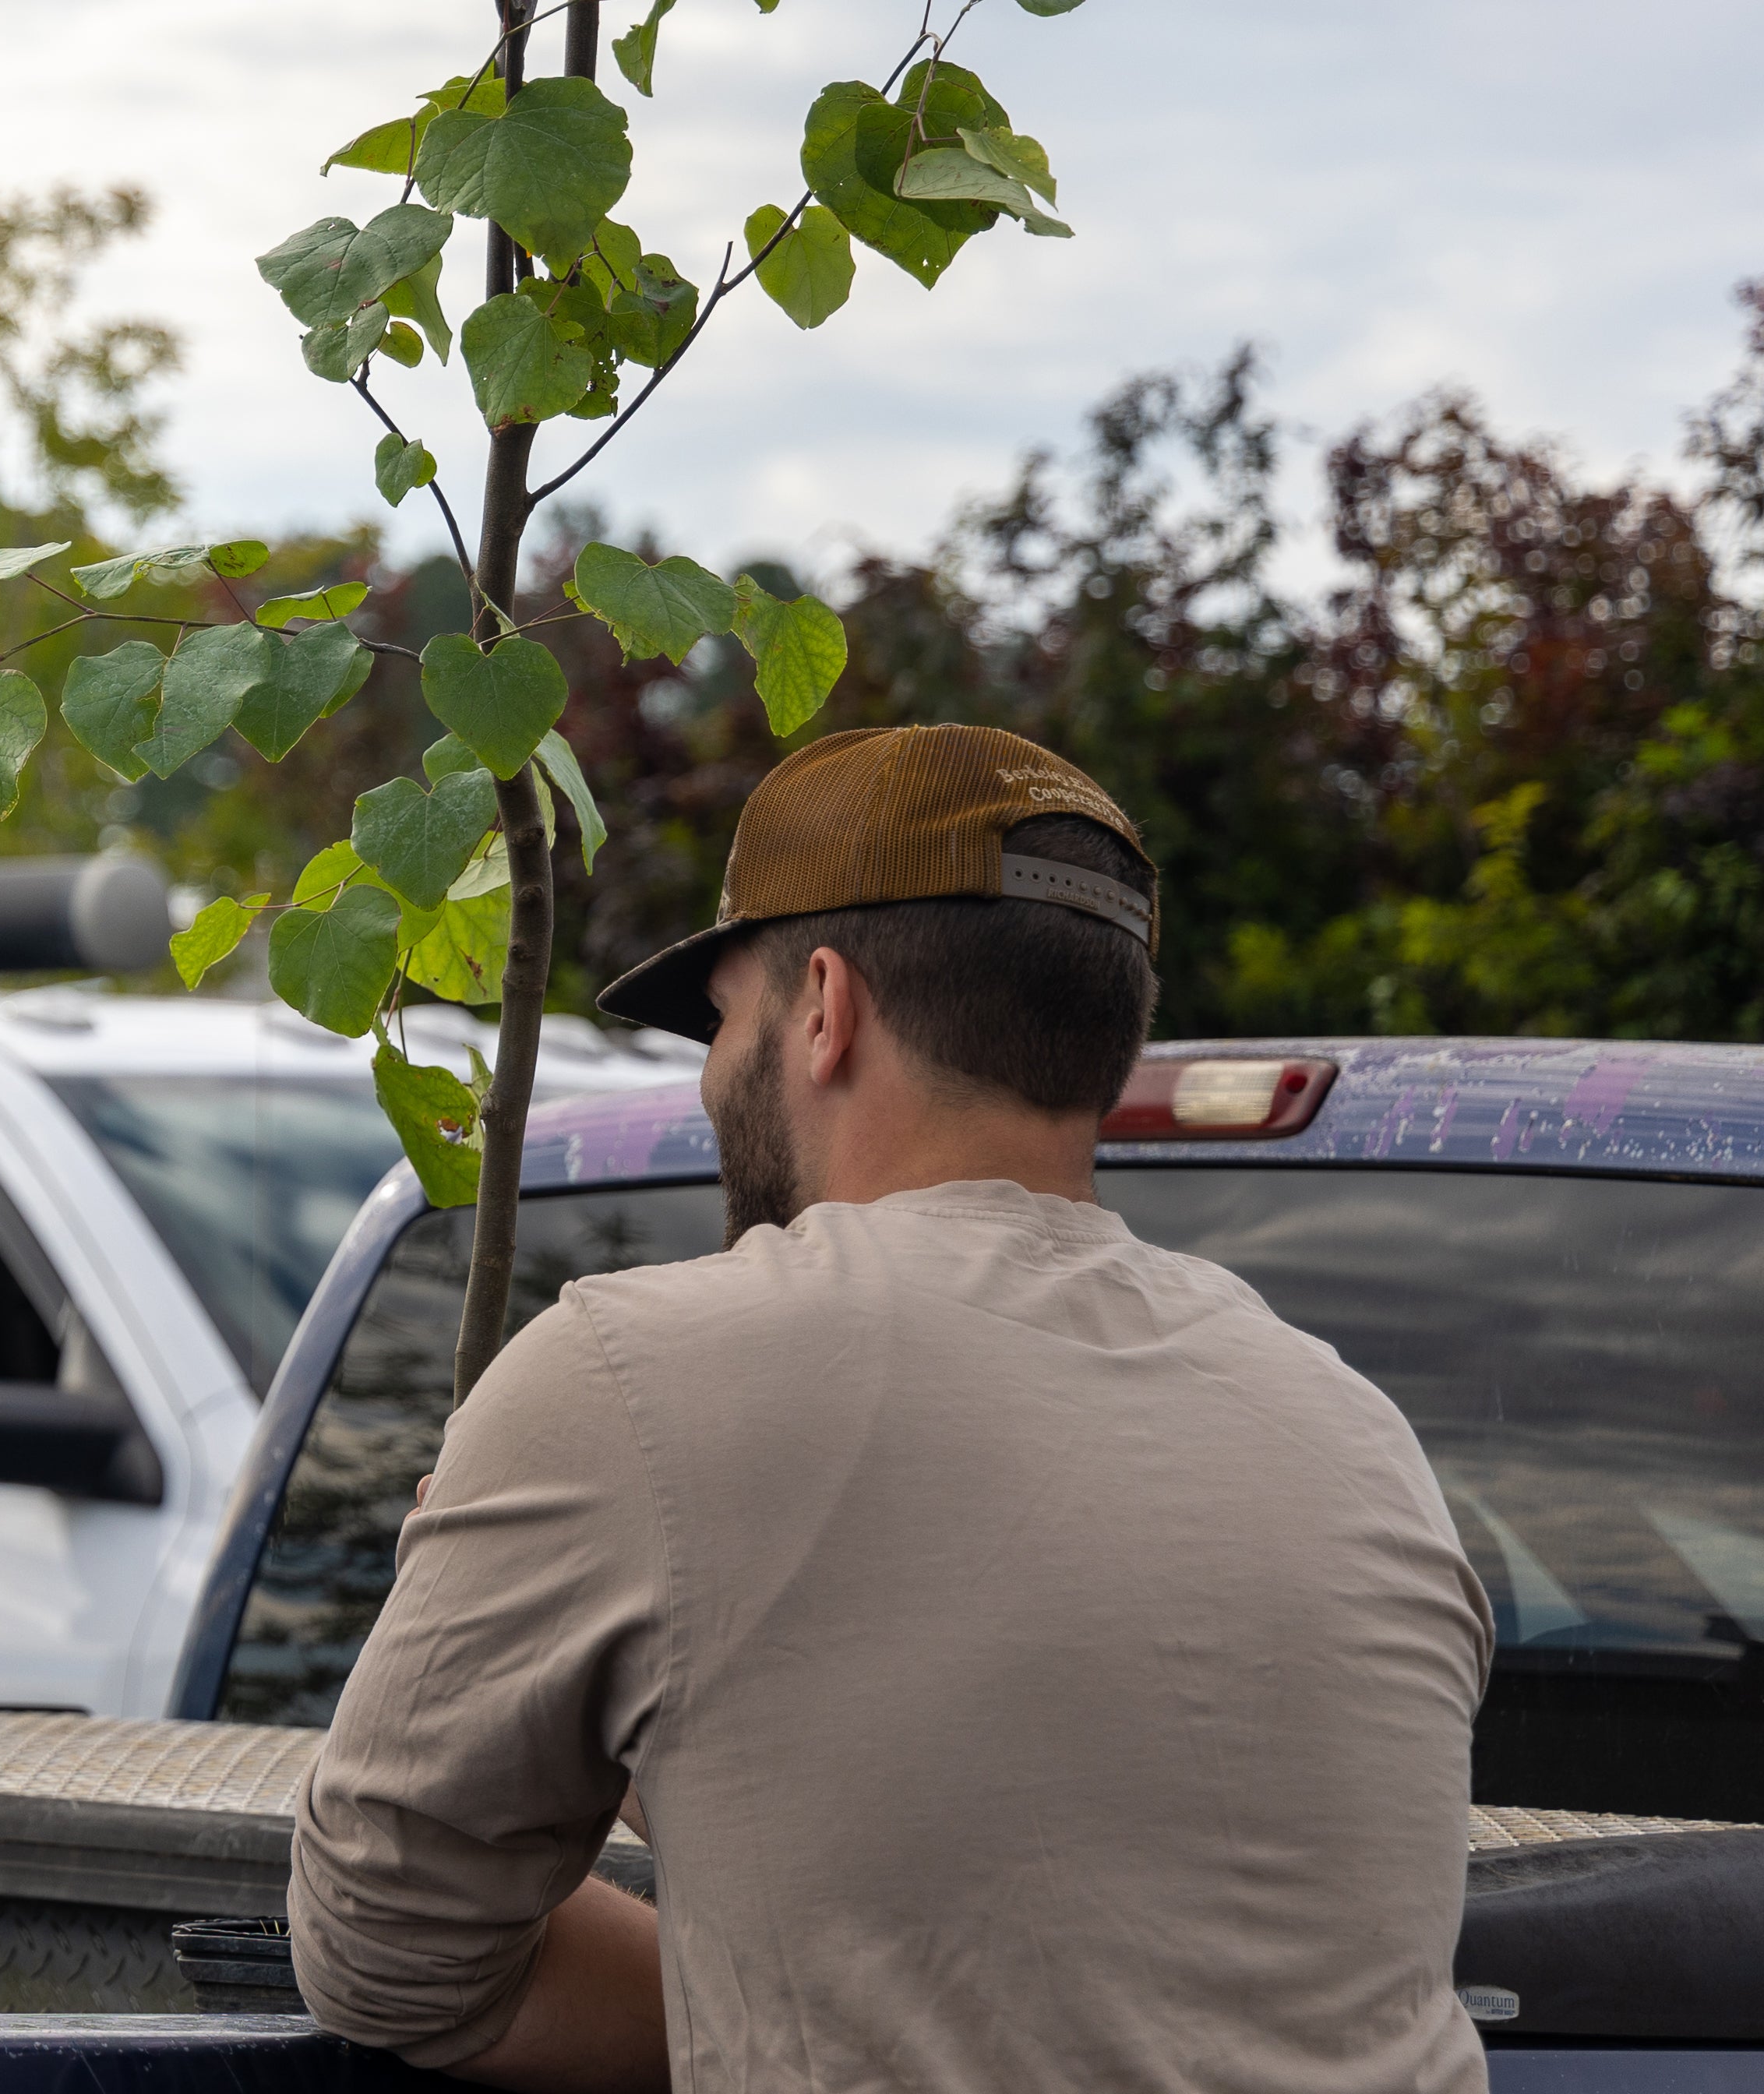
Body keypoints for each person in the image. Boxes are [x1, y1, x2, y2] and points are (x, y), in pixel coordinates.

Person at [287, 725, 1490, 2092]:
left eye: (723, 1019)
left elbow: (385, 1956)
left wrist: (779, 1979)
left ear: (822, 1005)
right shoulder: (1347, 1427)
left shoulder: (635, 1378)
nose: (708, 1075)